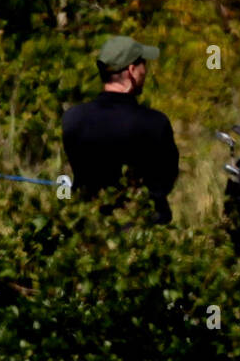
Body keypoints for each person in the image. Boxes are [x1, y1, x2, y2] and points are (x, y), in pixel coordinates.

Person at [62, 36, 179, 224]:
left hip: (88, 230)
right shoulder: (155, 123)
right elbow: (165, 179)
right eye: (143, 64)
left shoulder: (73, 118)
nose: (146, 71)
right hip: (144, 232)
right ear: (132, 70)